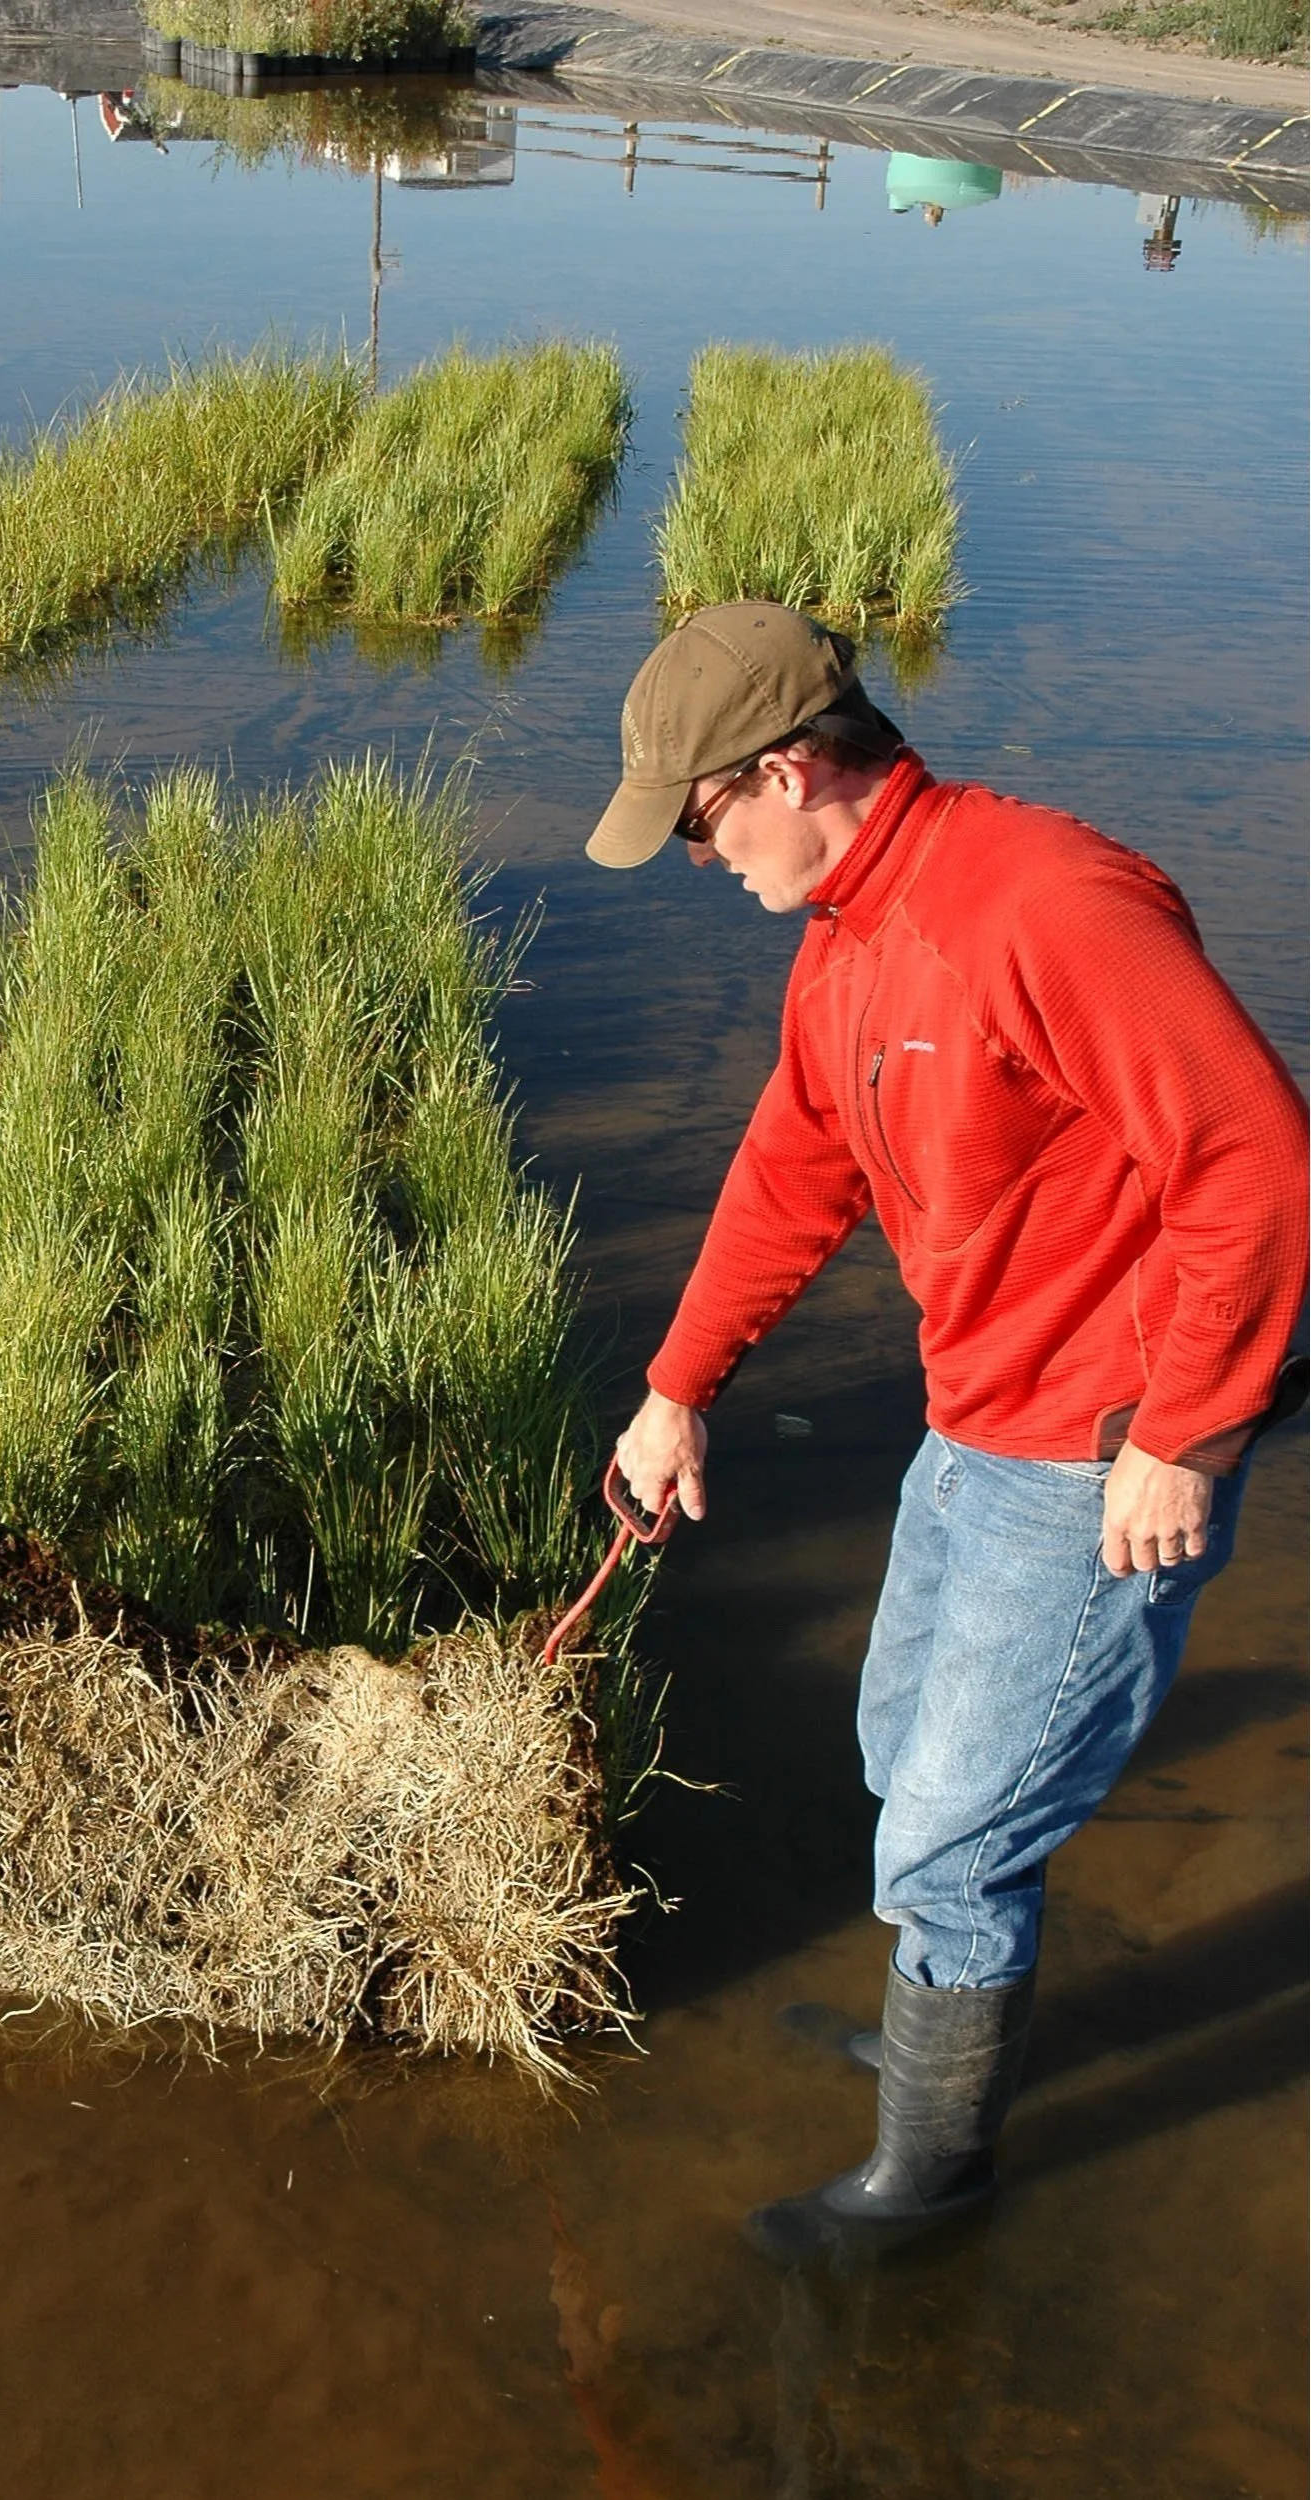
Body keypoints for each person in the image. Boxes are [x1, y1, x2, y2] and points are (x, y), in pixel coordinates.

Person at [586, 601, 1307, 2260]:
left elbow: (1258, 1165)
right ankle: (937, 2029)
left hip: (1100, 1454)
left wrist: (1186, 1430)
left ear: (786, 770)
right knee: (897, 1762)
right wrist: (678, 1384)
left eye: (701, 824)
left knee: (957, 1835)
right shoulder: (850, 933)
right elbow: (793, 1174)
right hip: (978, 1417)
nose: (699, 861)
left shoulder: (1042, 907)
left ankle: (934, 2185)